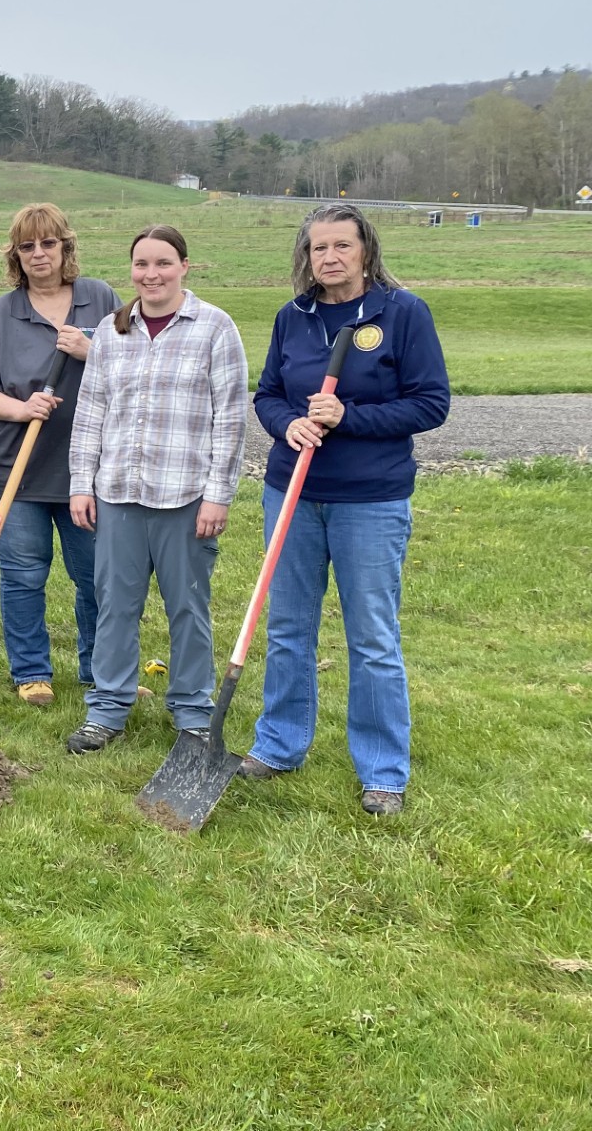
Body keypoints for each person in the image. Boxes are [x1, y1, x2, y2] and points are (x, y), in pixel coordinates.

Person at [243, 204, 449, 816]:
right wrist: (290, 427)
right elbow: (268, 395)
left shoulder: (402, 312)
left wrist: (348, 419)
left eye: (342, 246)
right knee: (287, 628)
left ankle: (383, 770)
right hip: (293, 493)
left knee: (372, 637)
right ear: (305, 256)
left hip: (371, 499)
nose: (329, 257)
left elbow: (430, 403)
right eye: (317, 248)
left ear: (366, 251)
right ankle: (279, 745)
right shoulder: (293, 317)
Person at [66, 225, 247, 754]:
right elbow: (92, 411)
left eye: (163, 263)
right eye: (142, 264)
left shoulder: (214, 328)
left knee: (187, 607)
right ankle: (108, 708)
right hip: (119, 493)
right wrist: (82, 483)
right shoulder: (112, 330)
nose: (152, 275)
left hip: (185, 496)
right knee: (114, 604)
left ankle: (193, 712)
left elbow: (230, 419)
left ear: (185, 266)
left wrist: (218, 494)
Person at [0, 203, 120, 707]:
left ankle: (100, 670)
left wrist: (90, 352)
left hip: (85, 470)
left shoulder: (100, 299)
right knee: (25, 573)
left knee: (96, 574)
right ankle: (32, 672)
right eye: (26, 246)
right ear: (16, 255)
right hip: (13, 469)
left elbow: (137, 369)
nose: (38, 254)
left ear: (65, 247)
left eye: (48, 243)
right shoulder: (2, 313)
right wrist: (21, 407)